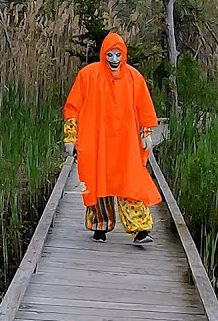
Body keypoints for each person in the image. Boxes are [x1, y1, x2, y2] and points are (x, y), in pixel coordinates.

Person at [63, 32, 161, 245]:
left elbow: (144, 107)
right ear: (103, 54)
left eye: (118, 54)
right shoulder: (88, 75)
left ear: (124, 55)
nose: (114, 59)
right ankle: (100, 225)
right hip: (96, 142)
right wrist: (70, 137)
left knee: (130, 182)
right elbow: (73, 107)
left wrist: (146, 133)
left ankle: (140, 229)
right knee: (98, 182)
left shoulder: (134, 77)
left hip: (126, 143)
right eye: (110, 54)